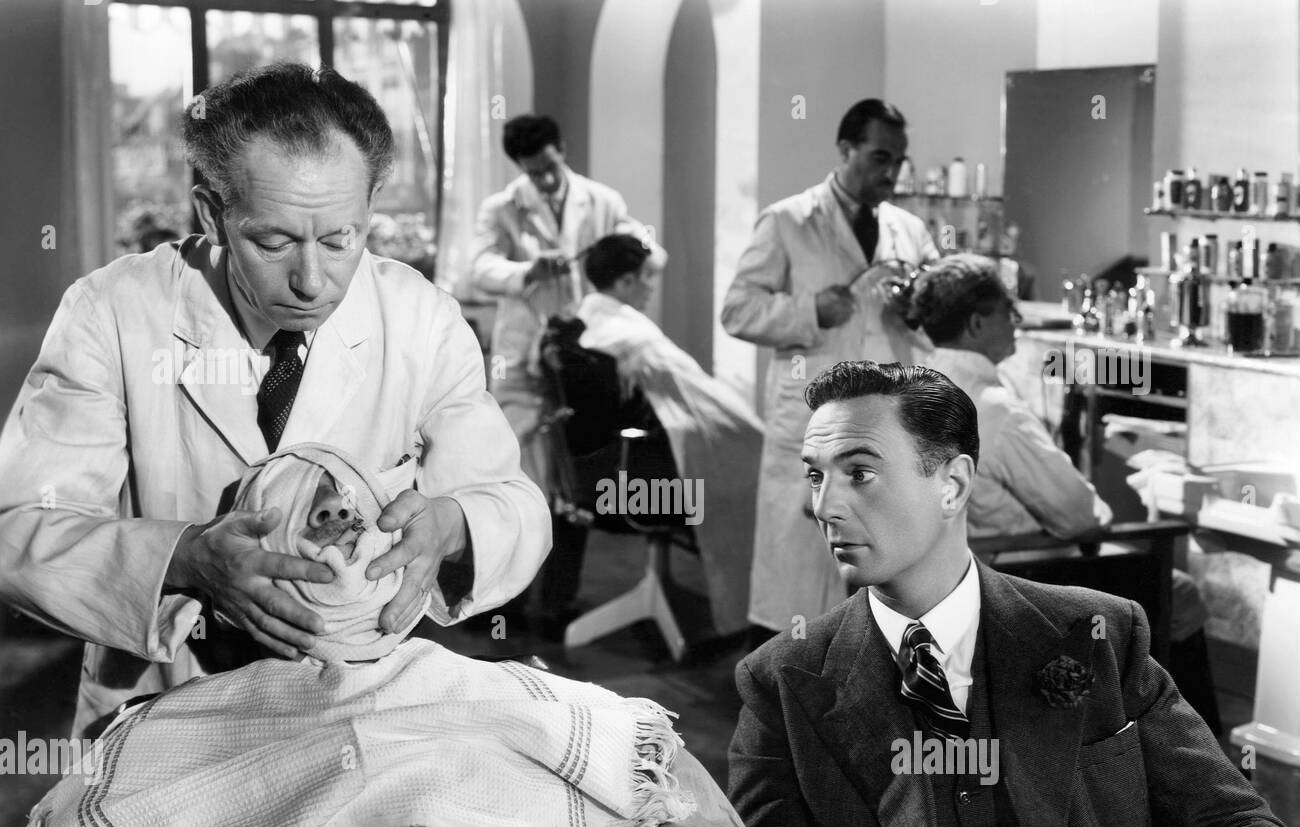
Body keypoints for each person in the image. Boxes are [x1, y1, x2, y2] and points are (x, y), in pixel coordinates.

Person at [2, 444, 870, 827]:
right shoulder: (163, 735)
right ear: (229, 594)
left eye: (353, 505)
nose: (343, 519)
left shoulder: (556, 708)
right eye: (307, 510)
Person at [0, 63, 550, 737]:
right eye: (275, 240)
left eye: (340, 238)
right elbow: (20, 526)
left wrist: (454, 523)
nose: (313, 280)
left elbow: (516, 504)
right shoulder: (113, 313)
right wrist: (186, 558)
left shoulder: (421, 319)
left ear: (371, 207)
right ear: (212, 212)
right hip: (171, 696)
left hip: (356, 693)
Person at [727, 361, 1294, 827]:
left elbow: (1238, 825)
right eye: (814, 475)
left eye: (859, 472)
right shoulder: (780, 679)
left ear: (952, 485)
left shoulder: (1099, 633)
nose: (822, 505)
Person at [909, 254, 1220, 733]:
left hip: (941, 579)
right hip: (1018, 576)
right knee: (1179, 593)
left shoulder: (912, 393)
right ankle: (1195, 759)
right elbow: (1082, 518)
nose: (1016, 323)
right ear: (975, 324)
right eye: (1006, 313)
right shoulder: (994, 411)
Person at [721, 99, 940, 644]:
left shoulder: (909, 230)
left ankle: (865, 710)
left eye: (899, 161)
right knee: (801, 593)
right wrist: (808, 311)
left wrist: (916, 309)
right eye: (879, 157)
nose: (891, 173)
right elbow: (737, 310)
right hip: (812, 422)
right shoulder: (789, 221)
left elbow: (937, 315)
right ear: (845, 150)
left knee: (886, 574)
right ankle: (779, 712)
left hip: (888, 426)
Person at [471, 115, 663, 629]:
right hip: (524, 362)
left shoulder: (603, 200)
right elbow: (479, 268)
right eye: (536, 175)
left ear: (563, 148)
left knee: (573, 483)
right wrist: (528, 271)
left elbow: (645, 250)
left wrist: (633, 251)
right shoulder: (502, 209)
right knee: (513, 478)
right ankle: (499, 601)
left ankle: (557, 603)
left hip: (580, 363)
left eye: (552, 168)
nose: (548, 182)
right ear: (521, 169)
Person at [573, 234, 764, 637]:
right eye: (645, 278)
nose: (651, 287)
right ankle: (753, 615)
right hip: (642, 481)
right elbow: (704, 403)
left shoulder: (585, 324)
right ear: (624, 283)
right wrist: (755, 436)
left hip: (601, 474)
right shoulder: (632, 337)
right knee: (757, 465)